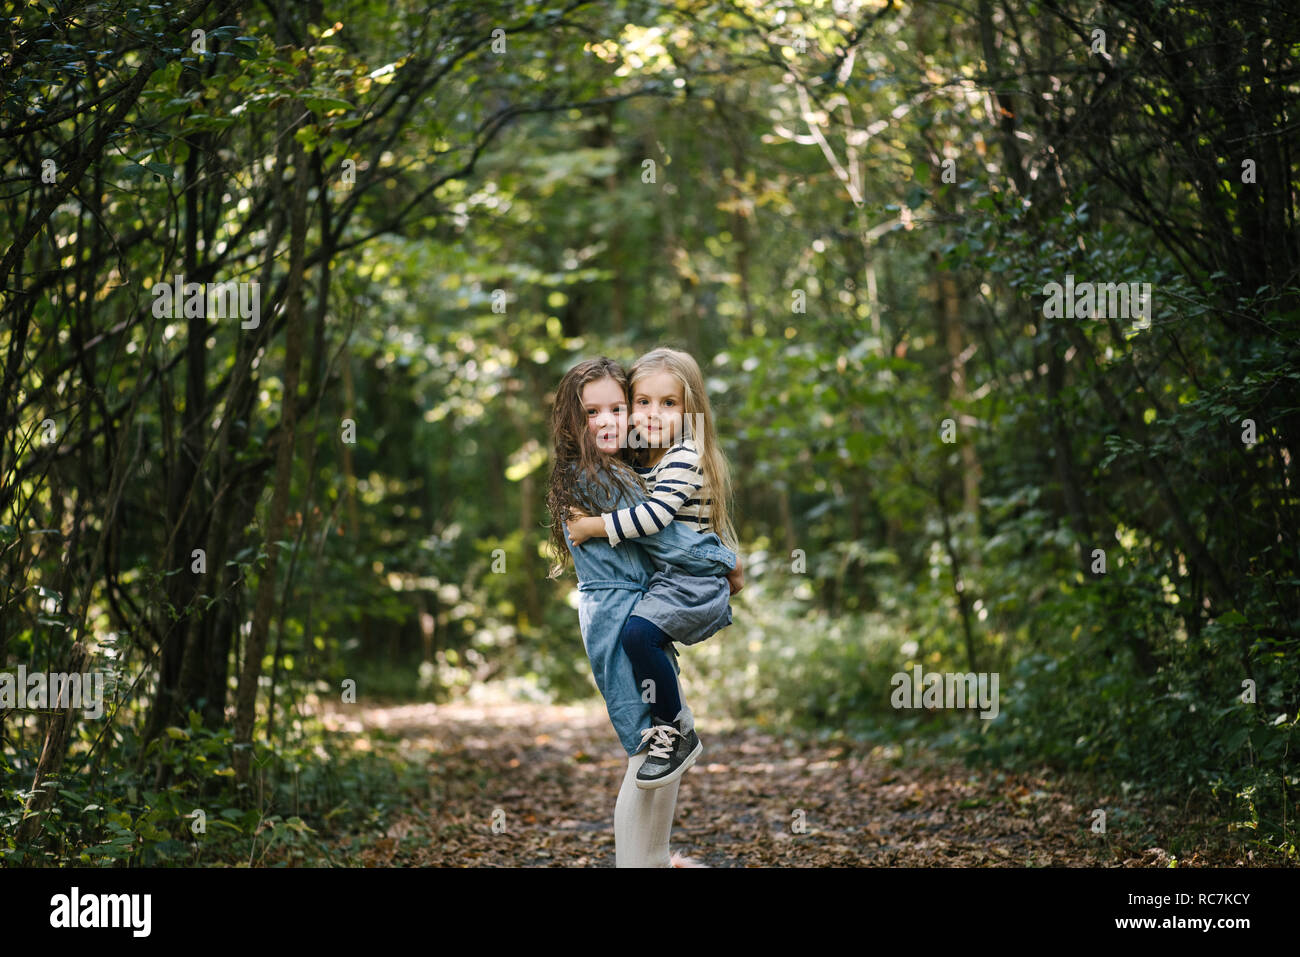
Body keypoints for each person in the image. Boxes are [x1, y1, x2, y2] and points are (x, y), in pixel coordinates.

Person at [545, 357, 743, 867]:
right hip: (619, 613)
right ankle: (639, 862)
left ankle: (653, 859)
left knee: (662, 743)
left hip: (636, 602)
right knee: (647, 747)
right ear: (572, 420)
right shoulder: (602, 479)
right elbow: (667, 537)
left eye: (618, 407)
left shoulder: (617, 470)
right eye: (594, 412)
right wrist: (726, 561)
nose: (610, 420)